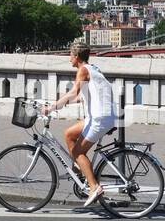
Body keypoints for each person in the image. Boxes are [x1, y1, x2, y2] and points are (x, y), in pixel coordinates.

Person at [44, 41, 117, 206]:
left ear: (76, 57)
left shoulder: (83, 70)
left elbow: (73, 92)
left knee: (77, 152)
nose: (69, 58)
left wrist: (51, 108)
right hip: (100, 116)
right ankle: (80, 168)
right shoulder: (92, 68)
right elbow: (79, 97)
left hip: (100, 118)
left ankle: (94, 187)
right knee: (69, 134)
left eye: (70, 55)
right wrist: (58, 106)